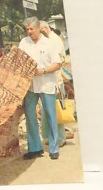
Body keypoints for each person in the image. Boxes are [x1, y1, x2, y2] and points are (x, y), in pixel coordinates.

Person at [19, 17, 62, 160]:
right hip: (30, 86)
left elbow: (57, 64)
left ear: (38, 28)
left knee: (50, 116)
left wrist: (42, 71)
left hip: (47, 84)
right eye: (27, 29)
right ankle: (35, 148)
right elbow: (18, 60)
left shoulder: (49, 44)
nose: (29, 32)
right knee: (30, 116)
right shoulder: (24, 43)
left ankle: (54, 148)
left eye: (31, 29)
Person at [39, 21, 67, 147]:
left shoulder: (55, 41)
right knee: (45, 110)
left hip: (56, 80)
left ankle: (60, 137)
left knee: (56, 109)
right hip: (45, 81)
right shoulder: (45, 41)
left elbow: (58, 61)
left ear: (44, 28)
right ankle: (46, 136)